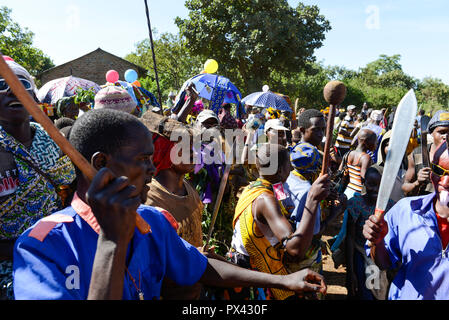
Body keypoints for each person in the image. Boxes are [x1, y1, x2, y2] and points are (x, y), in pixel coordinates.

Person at [13, 109, 326, 300]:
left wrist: (282, 280)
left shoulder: (152, 222)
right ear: (101, 164)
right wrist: (111, 240)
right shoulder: (42, 246)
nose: (152, 168)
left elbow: (202, 267)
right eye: (143, 159)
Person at [0, 57, 76, 300]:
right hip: (11, 271)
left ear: (34, 98)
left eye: (22, 83)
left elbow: (74, 194)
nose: (14, 90)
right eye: (3, 84)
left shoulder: (57, 142)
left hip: (64, 257)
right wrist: (31, 249)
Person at [230, 143, 329, 300]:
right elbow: (295, 250)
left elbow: (284, 207)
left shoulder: (255, 187)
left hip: (242, 267)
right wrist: (312, 199)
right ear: (281, 170)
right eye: (289, 165)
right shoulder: (265, 199)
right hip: (256, 274)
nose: (291, 171)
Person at [363, 140, 449, 300]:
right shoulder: (405, 210)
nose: (445, 182)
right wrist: (378, 241)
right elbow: (383, 263)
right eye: (439, 170)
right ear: (431, 174)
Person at [282, 142, 346, 275]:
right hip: (304, 256)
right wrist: (335, 213)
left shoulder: (287, 178)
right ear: (314, 170)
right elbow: (313, 233)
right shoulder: (308, 192)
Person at [343, 166, 394, 300]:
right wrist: (351, 271)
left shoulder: (390, 206)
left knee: (377, 291)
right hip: (361, 255)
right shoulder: (355, 204)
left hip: (380, 255)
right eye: (371, 184)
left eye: (380, 185)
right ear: (364, 182)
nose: (376, 189)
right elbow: (350, 238)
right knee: (364, 292)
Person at [402, 110, 449, 197]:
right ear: (431, 133)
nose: (446, 136)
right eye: (442, 132)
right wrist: (417, 183)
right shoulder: (417, 155)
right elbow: (405, 188)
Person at [339, 128, 377, 199]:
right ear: (365, 142)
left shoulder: (349, 153)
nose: (375, 144)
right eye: (374, 141)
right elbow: (364, 178)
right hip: (358, 194)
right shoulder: (366, 157)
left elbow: (340, 170)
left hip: (347, 191)